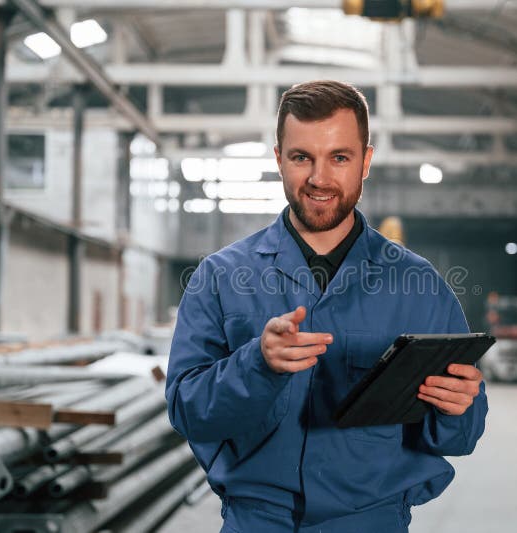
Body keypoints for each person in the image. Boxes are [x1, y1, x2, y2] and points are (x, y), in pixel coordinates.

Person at [166, 80, 487, 533]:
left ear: (366, 162)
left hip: (371, 521)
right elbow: (186, 410)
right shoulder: (219, 277)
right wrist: (257, 365)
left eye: (339, 157)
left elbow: (462, 436)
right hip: (257, 520)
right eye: (302, 158)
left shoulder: (419, 286)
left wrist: (458, 407)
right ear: (279, 159)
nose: (319, 178)